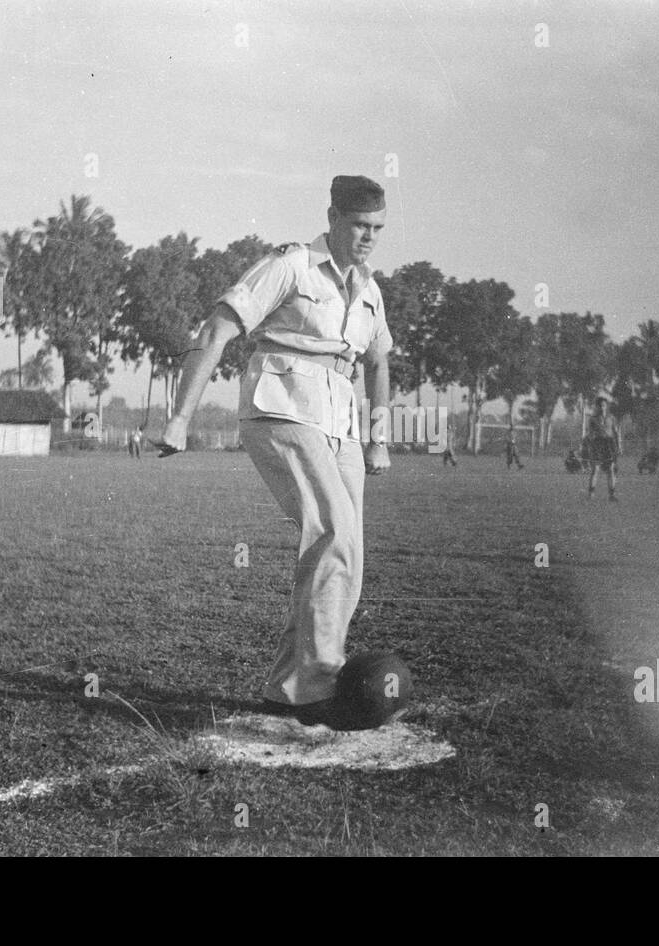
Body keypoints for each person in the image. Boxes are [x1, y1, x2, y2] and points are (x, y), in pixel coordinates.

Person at [152, 175, 393, 727]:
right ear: (332, 217)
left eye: (377, 228)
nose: (368, 237)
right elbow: (217, 329)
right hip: (281, 405)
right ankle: (320, 686)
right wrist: (181, 418)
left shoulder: (371, 290)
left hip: (341, 424)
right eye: (360, 225)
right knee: (331, 529)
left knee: (347, 550)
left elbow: (378, 361)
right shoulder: (290, 265)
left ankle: (289, 686)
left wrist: (378, 437)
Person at [583, 396, 618, 501]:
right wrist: (589, 444)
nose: (602, 407)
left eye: (604, 405)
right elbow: (589, 433)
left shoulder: (611, 418)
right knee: (595, 469)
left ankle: (612, 495)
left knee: (611, 469)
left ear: (606, 406)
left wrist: (618, 446)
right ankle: (591, 494)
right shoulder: (593, 419)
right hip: (598, 444)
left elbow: (615, 432)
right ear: (597, 407)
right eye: (600, 406)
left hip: (609, 444)